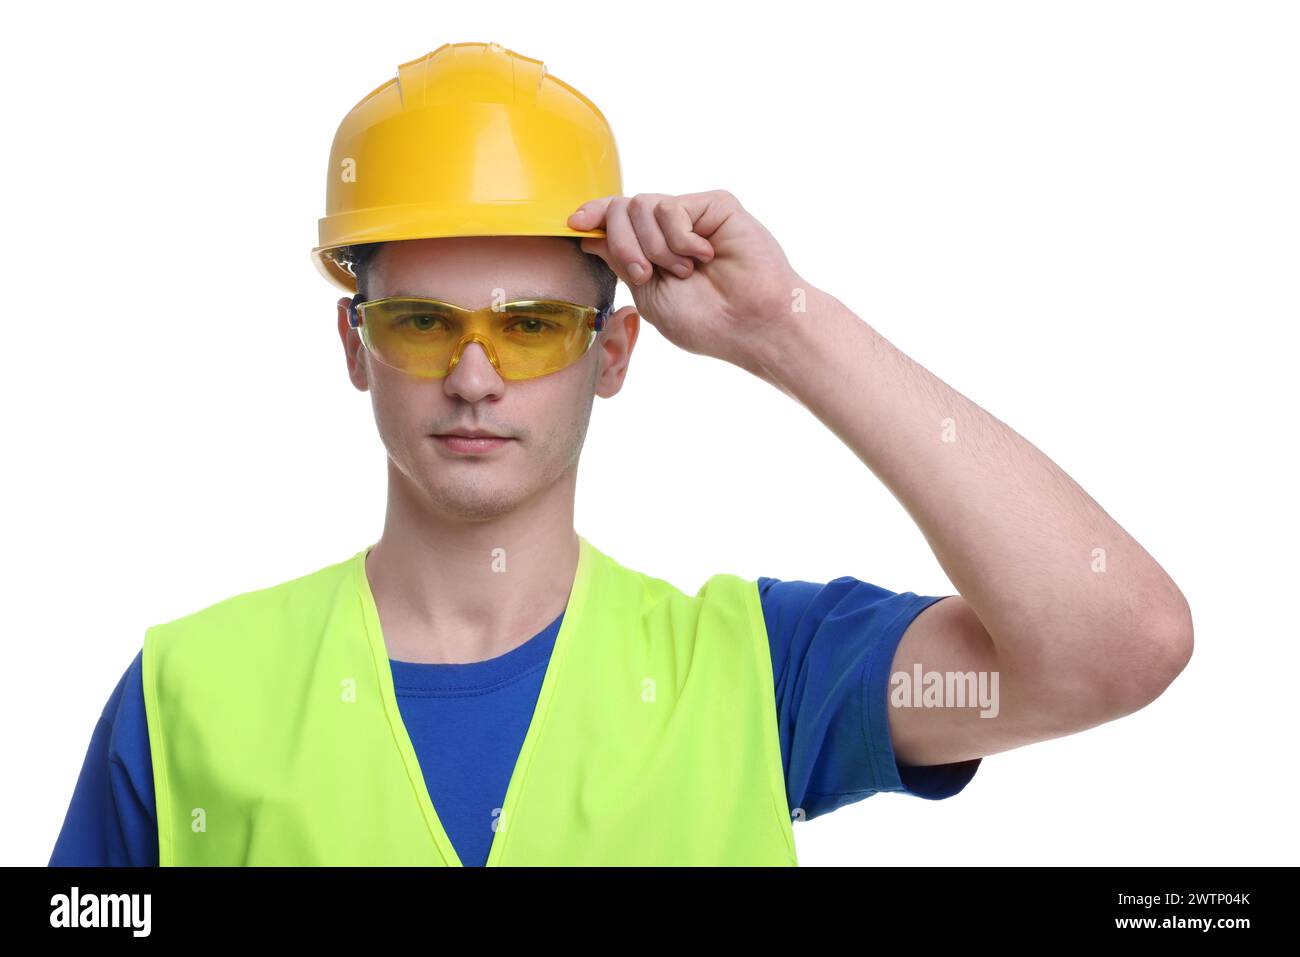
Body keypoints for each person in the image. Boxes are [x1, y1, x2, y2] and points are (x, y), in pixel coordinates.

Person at [49, 42, 1191, 867]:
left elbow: (1119, 644)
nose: (475, 374)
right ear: (356, 345)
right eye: (423, 321)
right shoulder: (184, 697)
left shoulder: (758, 678)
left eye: (532, 324)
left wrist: (782, 325)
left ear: (616, 352)